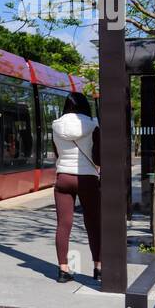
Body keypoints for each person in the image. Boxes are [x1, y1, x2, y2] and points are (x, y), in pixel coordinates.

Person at [52, 92, 101, 283]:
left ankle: (63, 270)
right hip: (87, 178)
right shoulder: (92, 125)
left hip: (63, 177)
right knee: (93, 223)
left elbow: (56, 152)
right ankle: (98, 266)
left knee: (63, 224)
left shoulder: (56, 126)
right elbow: (97, 157)